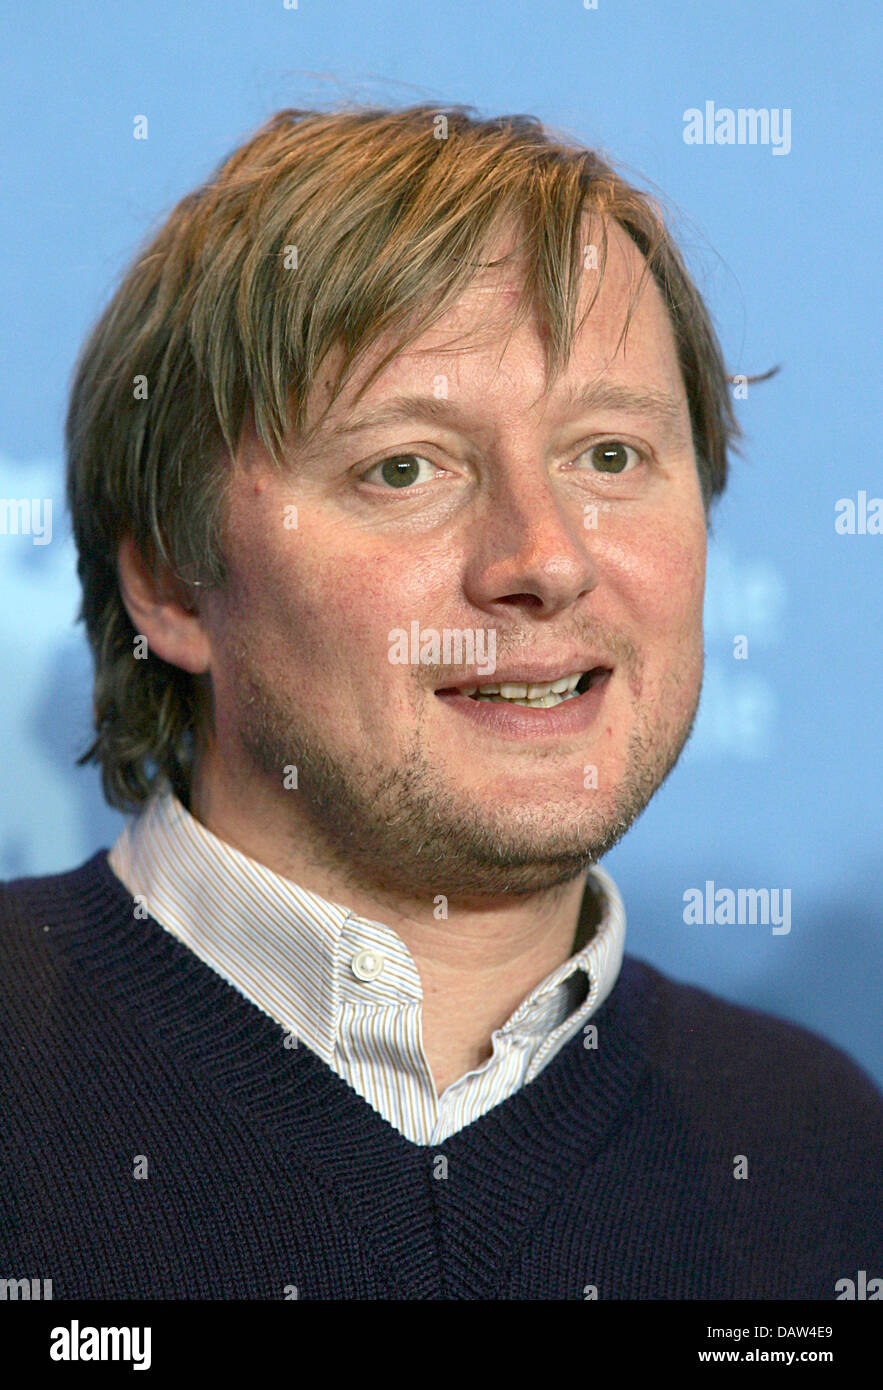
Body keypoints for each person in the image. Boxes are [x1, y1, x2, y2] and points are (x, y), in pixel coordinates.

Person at [2, 104, 880, 1300]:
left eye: (610, 456)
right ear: (168, 580)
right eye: (403, 467)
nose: (546, 556)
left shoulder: (813, 1145)